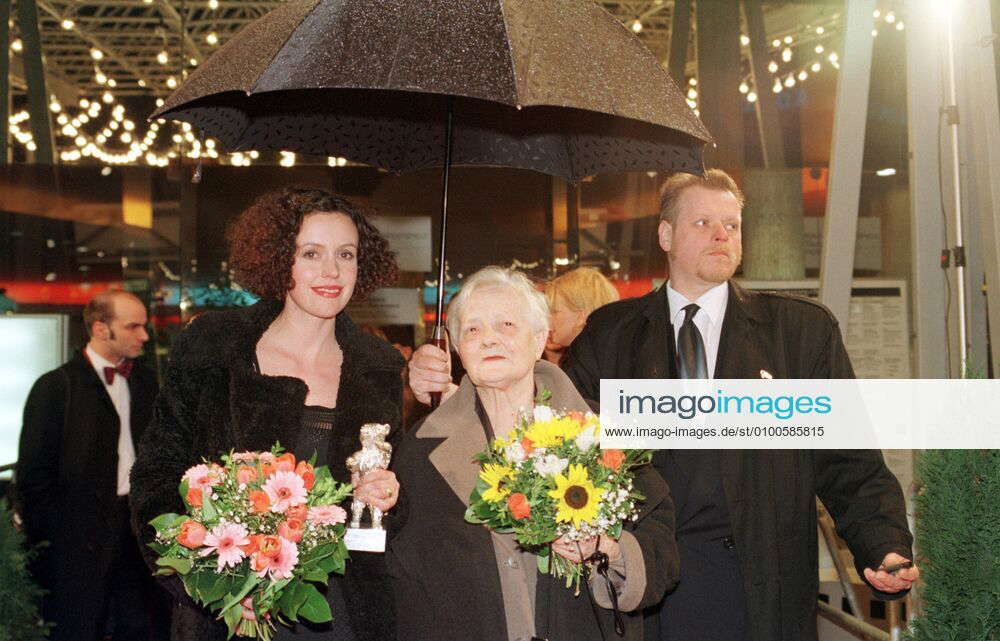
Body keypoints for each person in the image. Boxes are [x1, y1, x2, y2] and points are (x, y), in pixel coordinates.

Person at [407, 169, 918, 641]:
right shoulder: (610, 335)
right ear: (666, 236)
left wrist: (884, 543)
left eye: (732, 225)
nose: (723, 235)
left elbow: (849, 458)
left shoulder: (800, 334)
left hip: (762, 590)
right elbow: (542, 424)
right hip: (648, 599)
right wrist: (449, 387)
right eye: (704, 222)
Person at [129, 188, 405, 641]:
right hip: (230, 615)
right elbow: (156, 481)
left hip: (346, 615)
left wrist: (389, 497)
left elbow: (392, 508)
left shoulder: (379, 366)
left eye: (346, 254)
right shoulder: (215, 346)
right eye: (311, 253)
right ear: (279, 259)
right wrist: (220, 588)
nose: (332, 271)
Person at [388, 266, 678, 641]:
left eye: (507, 325)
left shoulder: (601, 432)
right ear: (457, 348)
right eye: (473, 330)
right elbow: (401, 580)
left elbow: (661, 543)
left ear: (540, 338)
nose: (489, 339)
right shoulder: (421, 450)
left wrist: (609, 550)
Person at [17, 290, 168, 641]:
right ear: (101, 329)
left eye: (144, 326)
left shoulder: (145, 381)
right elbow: (33, 477)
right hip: (78, 540)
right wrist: (61, 534)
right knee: (80, 626)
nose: (144, 336)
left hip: (138, 530)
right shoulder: (56, 388)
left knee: (143, 625)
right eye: (133, 327)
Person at [543, 267, 619, 365]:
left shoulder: (586, 367)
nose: (547, 319)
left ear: (582, 317)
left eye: (554, 312)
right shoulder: (613, 358)